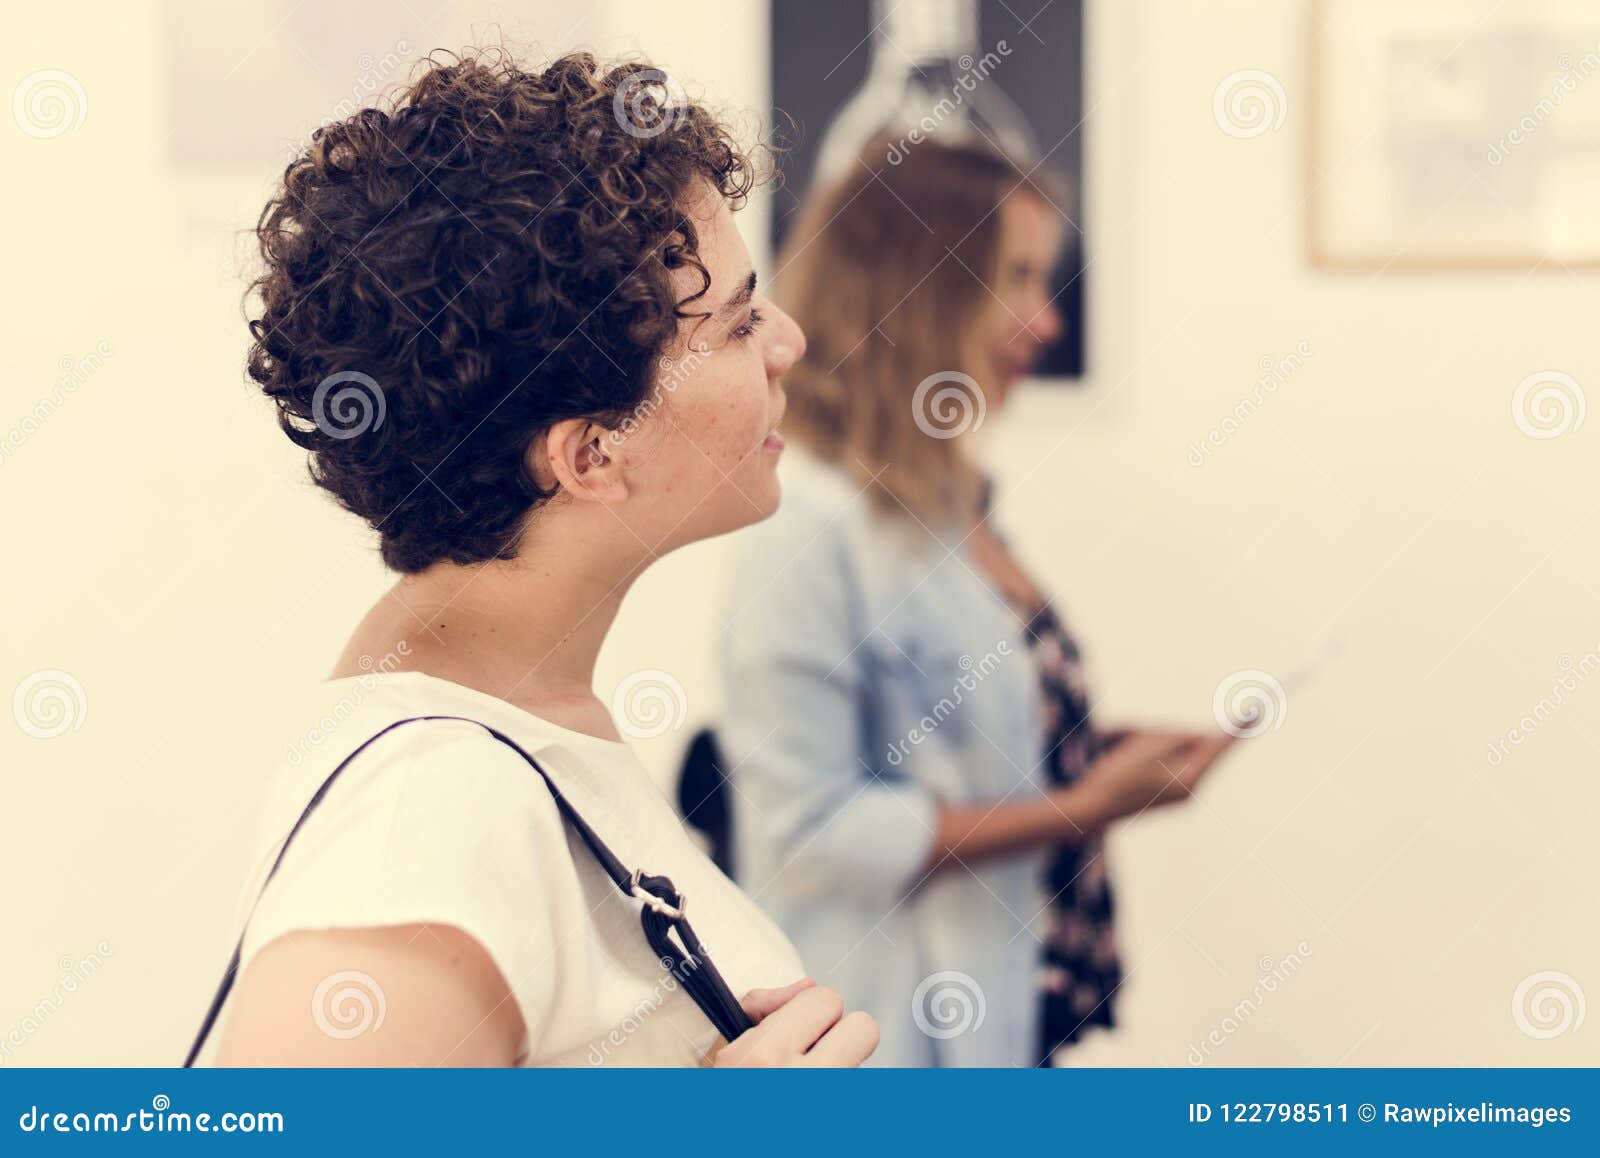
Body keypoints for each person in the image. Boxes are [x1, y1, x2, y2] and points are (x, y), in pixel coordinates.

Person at [200, 47, 878, 1068]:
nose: (785, 340)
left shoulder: (524, 722)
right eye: (739, 326)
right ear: (590, 454)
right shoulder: (429, 806)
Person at [719, 140, 1236, 1067]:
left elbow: (959, 749)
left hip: (1016, 1012)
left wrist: (1086, 755)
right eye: (1018, 280)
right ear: (920, 294)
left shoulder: (953, 511)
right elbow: (811, 833)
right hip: (887, 1028)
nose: (1045, 322)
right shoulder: (806, 530)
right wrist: (1081, 806)